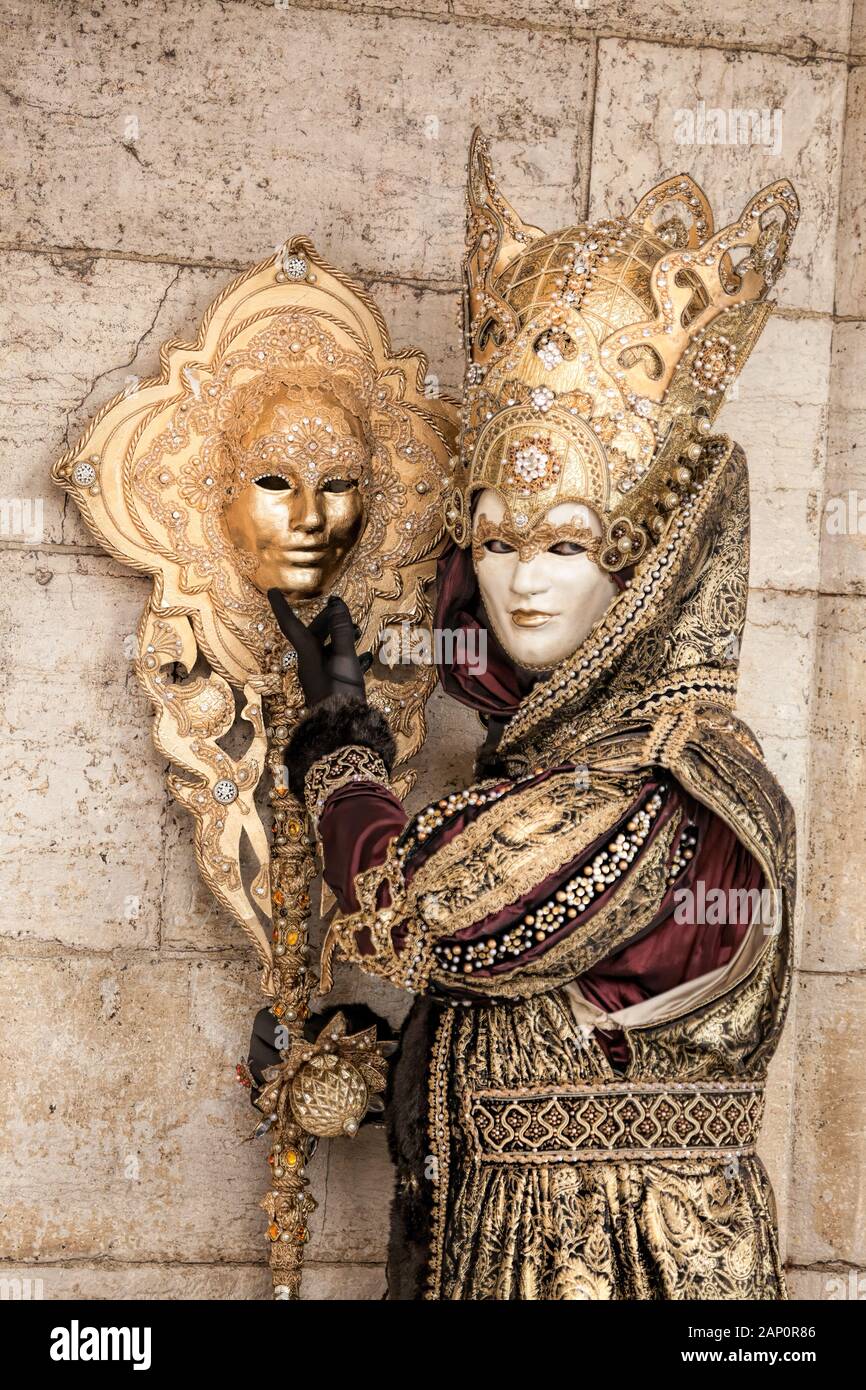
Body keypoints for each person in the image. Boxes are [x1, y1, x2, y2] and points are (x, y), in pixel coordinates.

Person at [249, 132, 800, 1300]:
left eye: (566, 543)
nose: (520, 584)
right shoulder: (574, 760)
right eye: (495, 542)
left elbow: (421, 905)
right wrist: (404, 1068)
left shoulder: (662, 787)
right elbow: (571, 1028)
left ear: (652, 560)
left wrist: (338, 747)